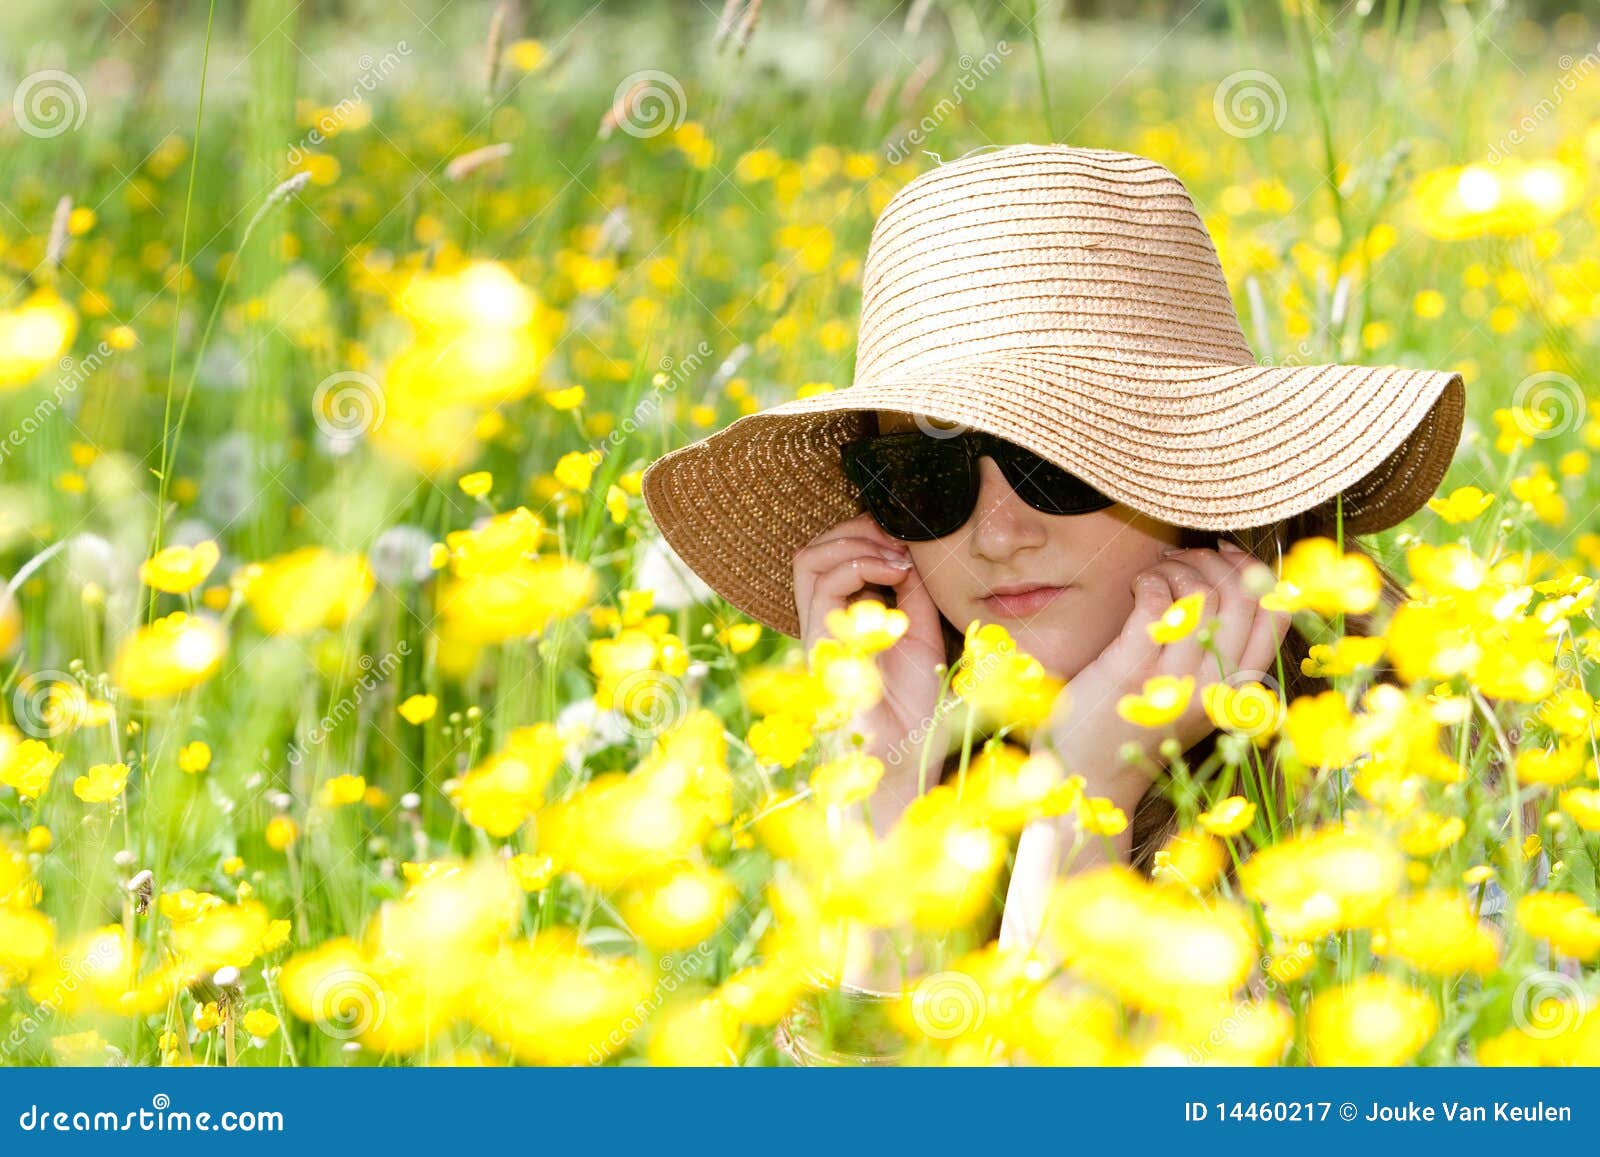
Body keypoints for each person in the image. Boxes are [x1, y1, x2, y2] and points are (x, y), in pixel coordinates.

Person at [639, 142, 1466, 967]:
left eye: (1055, 462)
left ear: (1204, 468)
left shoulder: (1413, 784)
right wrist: (885, 800)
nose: (997, 535)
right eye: (927, 477)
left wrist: (1084, 799)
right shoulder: (912, 777)